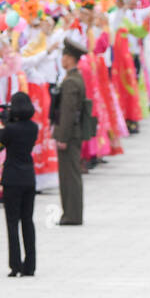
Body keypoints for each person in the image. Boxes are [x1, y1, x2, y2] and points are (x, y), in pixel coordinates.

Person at [0, 91, 38, 276]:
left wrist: (3, 127)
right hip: (29, 177)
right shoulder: (34, 127)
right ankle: (30, 265)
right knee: (27, 221)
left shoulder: (9, 130)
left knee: (12, 223)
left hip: (12, 178)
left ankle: (15, 265)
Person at [54, 39, 87, 225]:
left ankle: (72, 214)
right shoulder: (74, 78)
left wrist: (62, 137)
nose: (62, 60)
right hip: (73, 132)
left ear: (70, 58)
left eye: (64, 56)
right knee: (70, 174)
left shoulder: (71, 82)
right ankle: (71, 213)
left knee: (70, 176)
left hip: (70, 134)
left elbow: (67, 112)